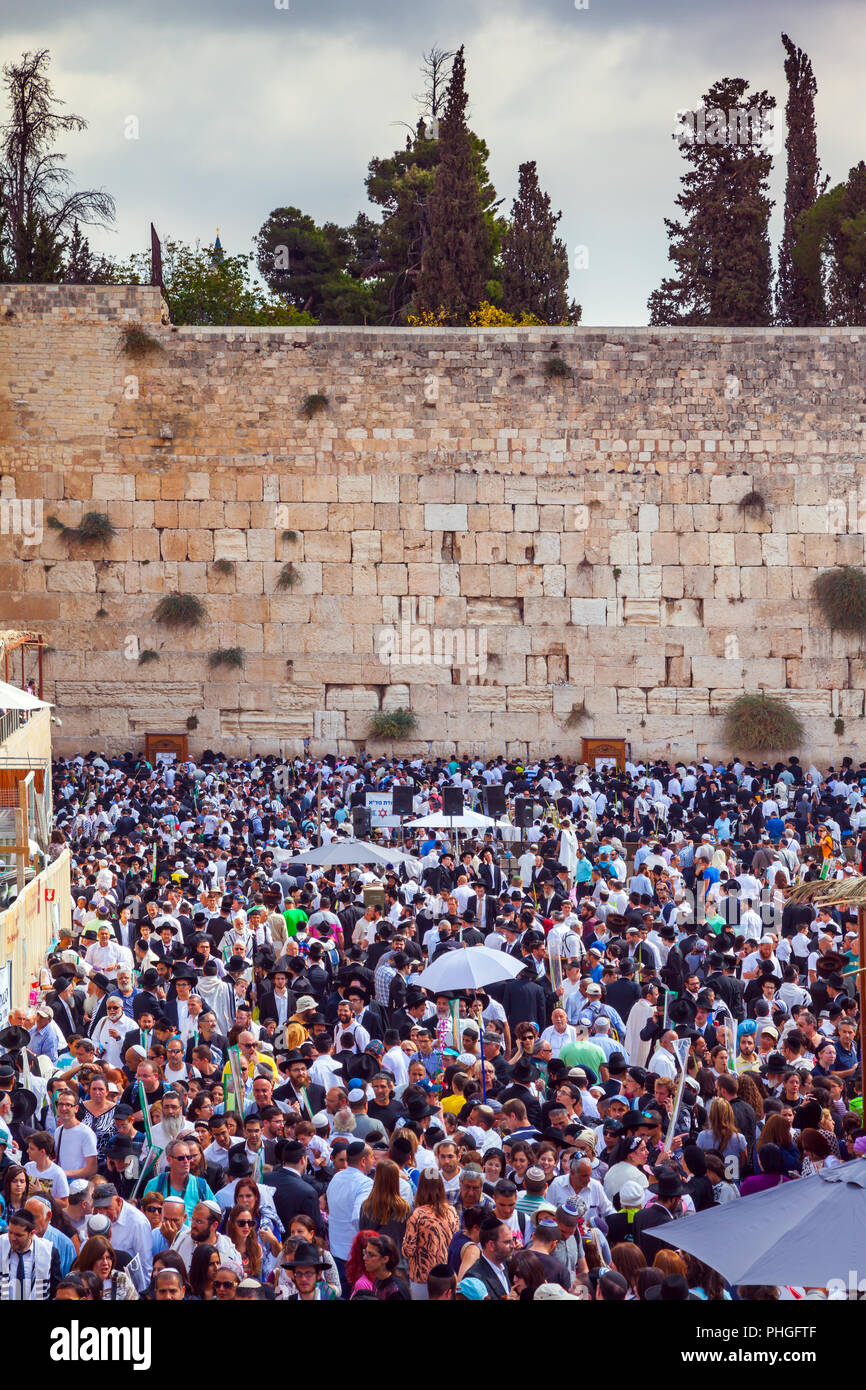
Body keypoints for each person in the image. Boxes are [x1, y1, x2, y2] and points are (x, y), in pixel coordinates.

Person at [401, 1170, 459, 1300]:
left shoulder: (417, 1215)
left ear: (421, 1187)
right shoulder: (452, 1211)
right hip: (446, 1278)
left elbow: (407, 1251)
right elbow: (455, 1244)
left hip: (421, 1279)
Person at [0, 1209, 61, 1300]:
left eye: (18, 1235)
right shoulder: (1, 1246)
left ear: (32, 1233)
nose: (12, 1238)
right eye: (10, 1232)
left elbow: (55, 1291)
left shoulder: (49, 1253)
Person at [72, 1234, 138, 1301]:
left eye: (108, 1258)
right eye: (100, 1258)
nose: (105, 1263)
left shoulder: (122, 1280)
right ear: (89, 1260)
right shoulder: (74, 1281)